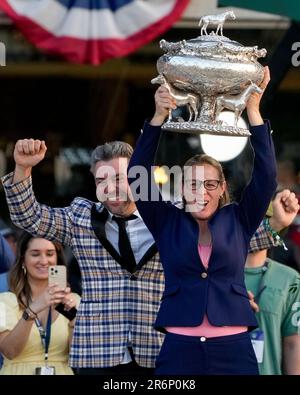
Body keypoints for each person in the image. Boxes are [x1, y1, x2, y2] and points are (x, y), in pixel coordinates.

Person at [128, 67, 277, 375]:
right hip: (180, 349)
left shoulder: (239, 219)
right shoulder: (167, 221)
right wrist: (157, 118)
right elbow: (137, 176)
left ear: (222, 187)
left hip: (233, 348)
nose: (201, 192)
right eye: (193, 184)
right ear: (182, 187)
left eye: (210, 184)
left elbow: (266, 178)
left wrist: (254, 112)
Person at [1, 140, 164, 375]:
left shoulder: (167, 217)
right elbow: (29, 217)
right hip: (99, 354)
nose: (110, 187)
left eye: (119, 178)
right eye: (101, 180)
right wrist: (23, 168)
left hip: (157, 348)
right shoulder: (81, 217)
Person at [0, 232, 78, 375]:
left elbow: (79, 358)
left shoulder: (74, 301)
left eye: (50, 254)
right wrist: (32, 310)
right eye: (35, 254)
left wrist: (73, 317)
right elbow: (9, 351)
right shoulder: (4, 301)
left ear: (57, 259)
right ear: (23, 260)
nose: (43, 261)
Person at [245, 190, 300, 375]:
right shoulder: (214, 274)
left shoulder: (291, 278)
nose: (259, 227)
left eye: (267, 221)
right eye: (251, 220)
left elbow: (293, 343)